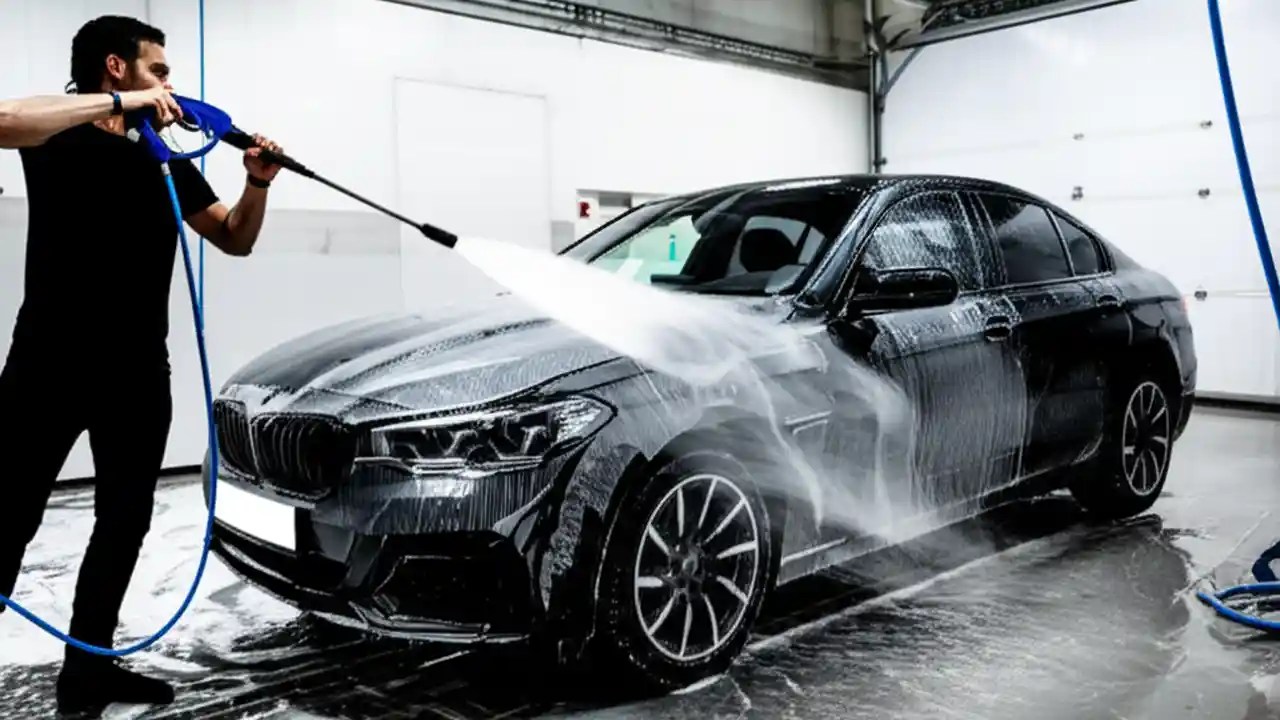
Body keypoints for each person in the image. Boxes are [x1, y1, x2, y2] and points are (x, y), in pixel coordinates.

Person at [0, 15, 283, 715]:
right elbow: (4, 120)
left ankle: (87, 672)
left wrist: (257, 184)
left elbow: (234, 238)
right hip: (47, 365)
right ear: (115, 67)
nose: (169, 86)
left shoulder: (160, 158)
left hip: (136, 374)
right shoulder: (57, 133)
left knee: (124, 523)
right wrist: (127, 103)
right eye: (158, 70)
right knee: (7, 516)